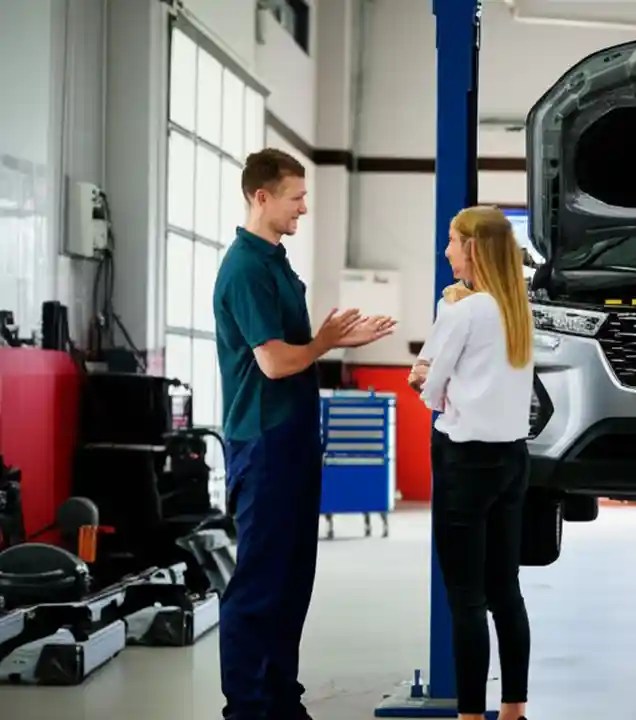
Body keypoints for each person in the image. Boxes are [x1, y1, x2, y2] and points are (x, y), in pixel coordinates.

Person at [213, 147, 396, 720]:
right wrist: (326, 343)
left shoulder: (275, 262)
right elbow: (273, 363)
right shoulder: (245, 268)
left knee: (293, 579)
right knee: (261, 582)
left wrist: (333, 340)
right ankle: (247, 707)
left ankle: (279, 698)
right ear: (260, 197)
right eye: (295, 197)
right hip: (262, 441)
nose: (304, 208)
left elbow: (298, 351)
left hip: (291, 437)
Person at [407, 205, 535, 720]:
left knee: (464, 596)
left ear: (473, 249)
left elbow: (430, 388)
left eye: (453, 242)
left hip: (465, 462)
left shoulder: (461, 312)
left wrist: (423, 379)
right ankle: (513, 709)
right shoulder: (520, 309)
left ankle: (467, 715)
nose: (447, 251)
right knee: (505, 590)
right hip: (512, 460)